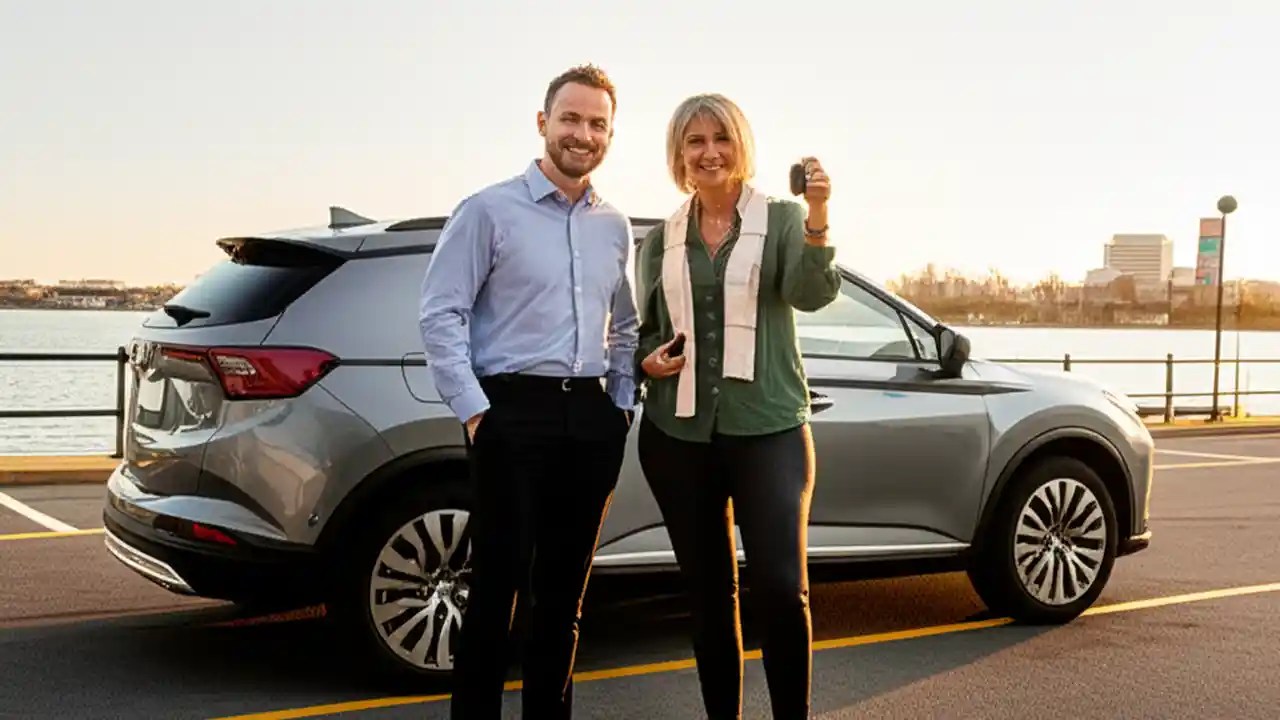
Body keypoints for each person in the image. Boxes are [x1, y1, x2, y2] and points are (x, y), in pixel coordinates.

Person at [418, 64, 638, 720]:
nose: (583, 134)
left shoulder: (614, 225)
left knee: (563, 603)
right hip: (510, 415)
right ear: (543, 123)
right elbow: (441, 313)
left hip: (590, 419)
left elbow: (625, 324)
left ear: (610, 134)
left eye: (597, 124)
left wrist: (620, 405)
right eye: (570, 119)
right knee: (496, 597)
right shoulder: (487, 210)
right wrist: (476, 413)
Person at [632, 93, 841, 720]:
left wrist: (818, 214)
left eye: (721, 138)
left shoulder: (781, 219)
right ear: (679, 155)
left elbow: (811, 292)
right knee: (708, 597)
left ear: (740, 145)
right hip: (677, 435)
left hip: (769, 430)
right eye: (695, 141)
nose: (709, 152)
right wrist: (648, 360)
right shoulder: (660, 239)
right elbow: (644, 333)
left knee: (780, 589)